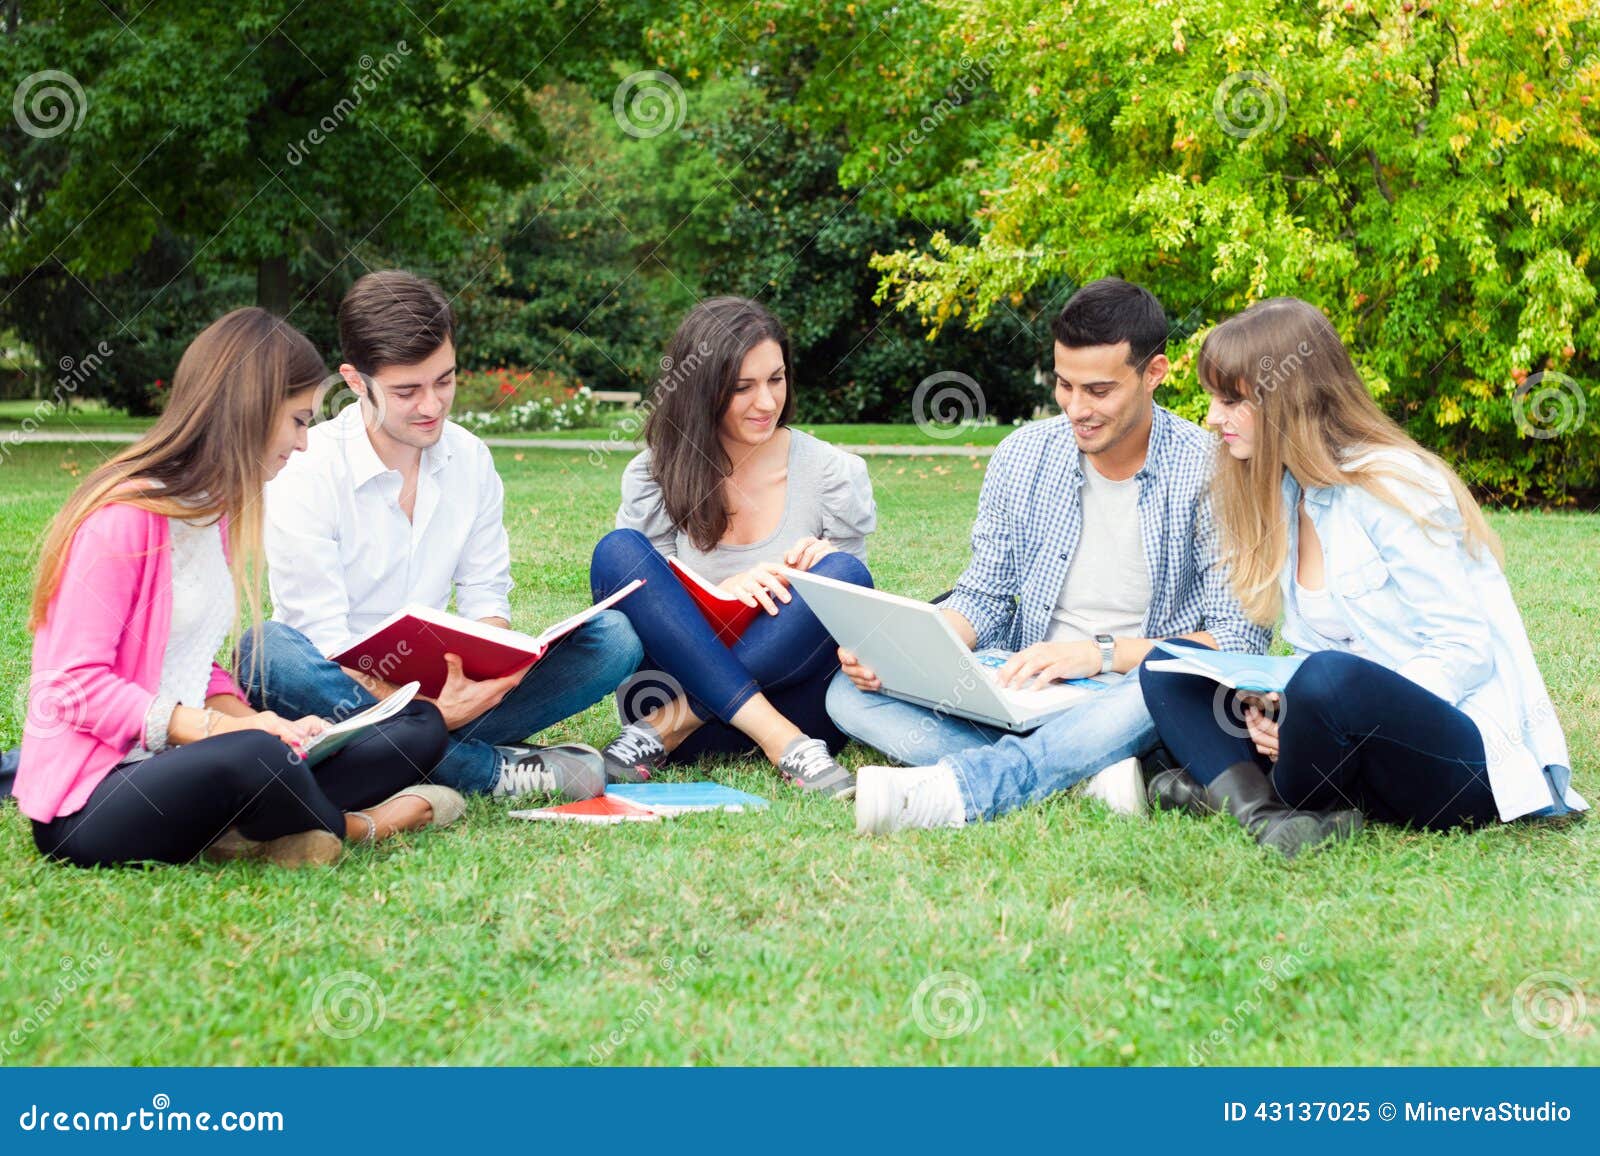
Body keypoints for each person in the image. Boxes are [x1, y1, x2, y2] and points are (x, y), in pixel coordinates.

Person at [1139, 297, 1588, 857]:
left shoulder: (1391, 483)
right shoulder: (1286, 492)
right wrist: (1278, 708)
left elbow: (1464, 648)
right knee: (1166, 664)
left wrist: (1315, 717)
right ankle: (1268, 816)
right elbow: (1310, 653)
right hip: (1339, 739)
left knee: (1330, 681)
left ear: (1287, 399)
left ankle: (1221, 788)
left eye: (1231, 400)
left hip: (1459, 757)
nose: (1211, 417)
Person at [15, 308, 459, 869]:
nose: (303, 443)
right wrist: (227, 731)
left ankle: (257, 824)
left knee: (417, 727)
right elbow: (74, 686)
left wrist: (259, 723)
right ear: (248, 411)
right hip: (97, 799)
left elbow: (197, 664)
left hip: (195, 762)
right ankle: (356, 826)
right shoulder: (123, 518)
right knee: (253, 755)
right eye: (297, 421)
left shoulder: (213, 514)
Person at [827, 277, 1271, 832]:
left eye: (1099, 391)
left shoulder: (1212, 471)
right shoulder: (1022, 455)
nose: (1076, 408)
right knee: (849, 693)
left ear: (1153, 373)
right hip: (1028, 686)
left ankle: (976, 786)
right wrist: (910, 651)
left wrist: (1099, 654)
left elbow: (1239, 641)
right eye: (1065, 385)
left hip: (1138, 691)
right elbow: (984, 595)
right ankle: (1087, 775)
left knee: (1159, 683)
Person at [239, 271, 643, 802]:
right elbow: (322, 637)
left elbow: (485, 595)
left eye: (444, 381)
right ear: (355, 381)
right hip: (339, 698)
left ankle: (412, 754)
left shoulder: (469, 457)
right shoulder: (309, 470)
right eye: (407, 391)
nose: (432, 406)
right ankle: (488, 771)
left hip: (450, 697)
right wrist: (425, 712)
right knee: (266, 651)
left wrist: (487, 672)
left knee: (614, 639)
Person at [589, 296, 875, 797]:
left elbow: (854, 625)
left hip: (784, 705)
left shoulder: (832, 472)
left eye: (776, 379)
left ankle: (676, 723)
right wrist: (726, 589)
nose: (766, 403)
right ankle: (776, 740)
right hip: (665, 690)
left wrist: (820, 571)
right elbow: (645, 606)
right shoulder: (655, 473)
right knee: (618, 551)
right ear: (701, 389)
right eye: (743, 387)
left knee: (846, 574)